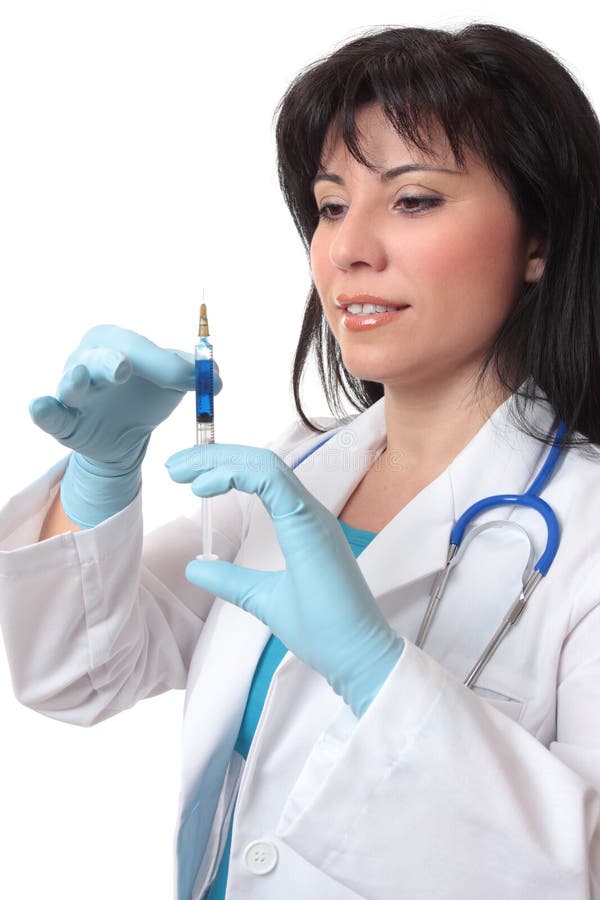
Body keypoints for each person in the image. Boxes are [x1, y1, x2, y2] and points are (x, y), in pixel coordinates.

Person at [1, 20, 600, 900]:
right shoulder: (290, 477)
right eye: (329, 204)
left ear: (539, 237)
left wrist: (376, 672)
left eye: (414, 199)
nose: (349, 248)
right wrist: (102, 478)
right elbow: (80, 676)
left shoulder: (584, 533)